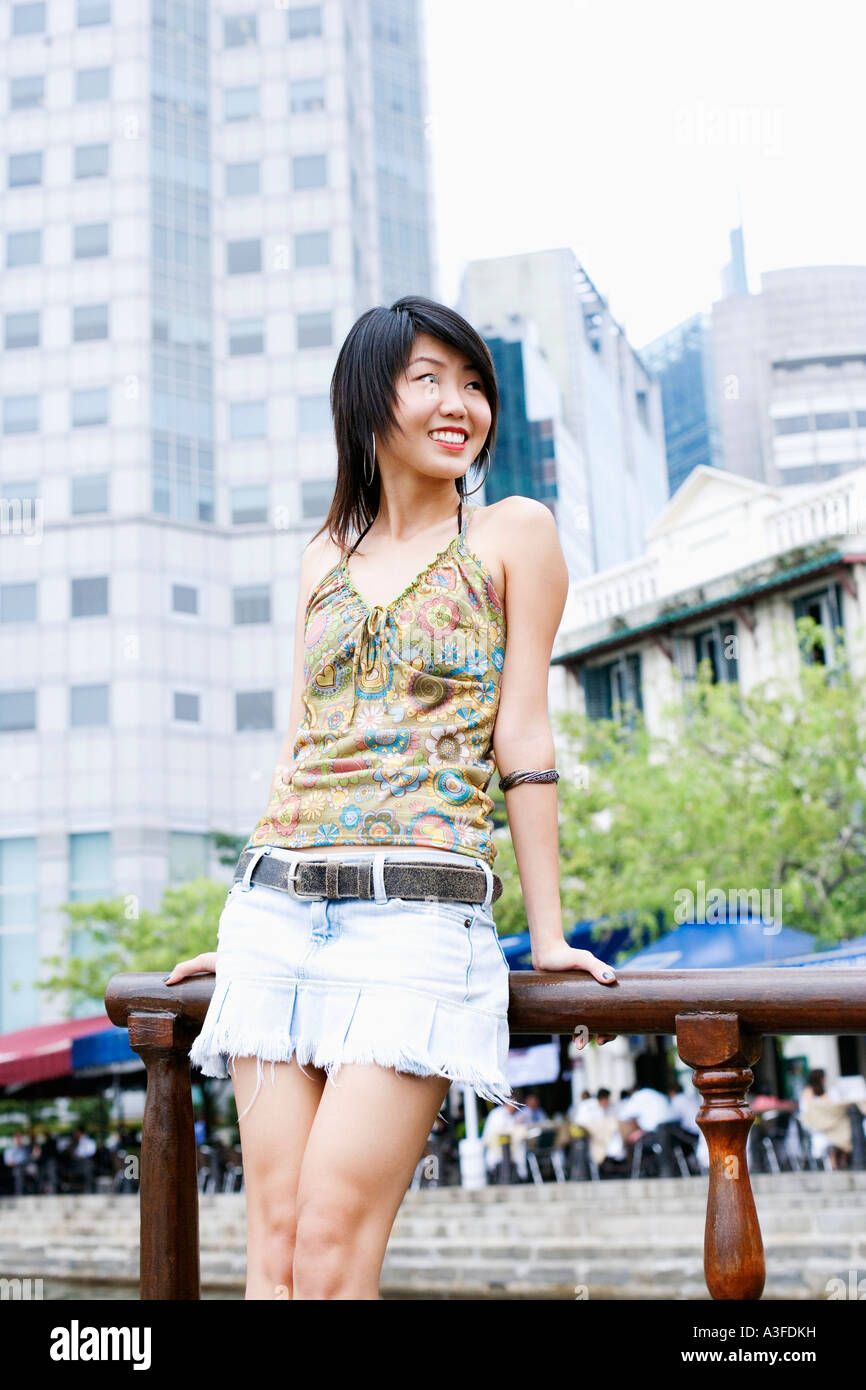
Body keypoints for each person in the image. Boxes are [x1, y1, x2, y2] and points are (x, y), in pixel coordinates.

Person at [166, 296, 618, 1300]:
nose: (459, 404)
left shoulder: (510, 533)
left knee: (330, 1242)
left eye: (472, 385)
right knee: (273, 1249)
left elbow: (523, 735)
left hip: (415, 917)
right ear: (369, 396)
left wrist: (544, 937)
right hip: (275, 910)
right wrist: (234, 921)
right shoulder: (322, 555)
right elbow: (303, 742)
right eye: (429, 379)